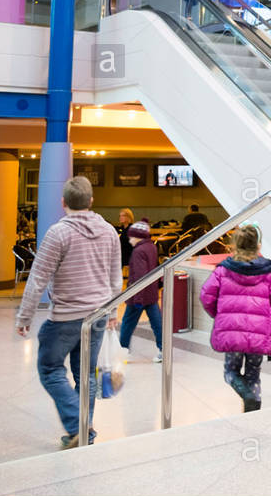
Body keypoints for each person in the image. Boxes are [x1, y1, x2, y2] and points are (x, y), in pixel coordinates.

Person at [15, 176, 122, 448]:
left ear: (63, 203)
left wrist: (24, 316)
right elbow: (114, 276)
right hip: (97, 315)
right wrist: (111, 312)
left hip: (65, 317)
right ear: (91, 201)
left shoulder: (58, 233)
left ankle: (79, 426)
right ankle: (82, 432)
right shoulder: (109, 231)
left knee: (50, 369)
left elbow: (38, 277)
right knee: (85, 374)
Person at [199, 224, 271, 412]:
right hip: (259, 333)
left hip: (232, 332)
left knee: (230, 372)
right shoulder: (269, 270)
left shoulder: (223, 270)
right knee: (254, 374)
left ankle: (248, 397)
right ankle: (253, 409)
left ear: (235, 244)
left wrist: (219, 316)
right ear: (258, 245)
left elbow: (206, 296)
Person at [119, 221, 163, 363]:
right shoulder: (151, 247)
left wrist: (137, 299)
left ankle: (122, 351)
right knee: (157, 323)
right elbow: (156, 267)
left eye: (131, 237)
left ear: (137, 237)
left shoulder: (138, 251)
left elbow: (139, 276)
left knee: (127, 323)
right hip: (151, 293)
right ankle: (164, 349)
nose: (129, 239)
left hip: (138, 296)